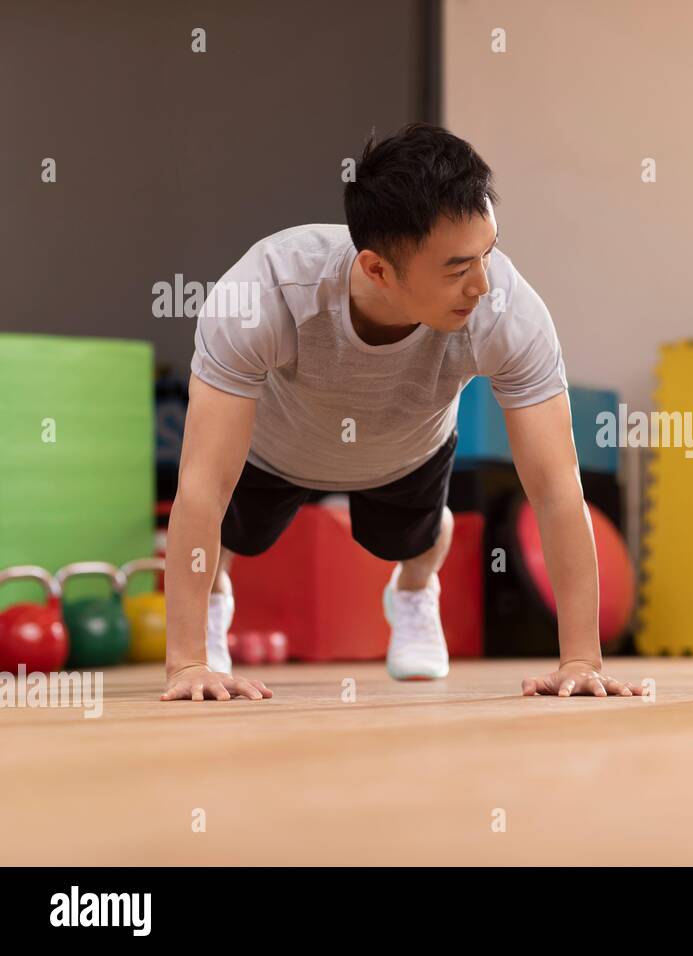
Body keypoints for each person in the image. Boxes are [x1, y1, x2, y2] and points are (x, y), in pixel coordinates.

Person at [162, 124, 640, 702]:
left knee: (414, 538)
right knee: (231, 532)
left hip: (407, 452)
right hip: (274, 450)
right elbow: (202, 484)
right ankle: (215, 605)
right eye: (457, 268)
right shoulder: (264, 293)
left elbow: (557, 487)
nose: (483, 285)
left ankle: (414, 591)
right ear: (377, 269)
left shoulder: (508, 311)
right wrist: (187, 665)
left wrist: (581, 659)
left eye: (488, 253)